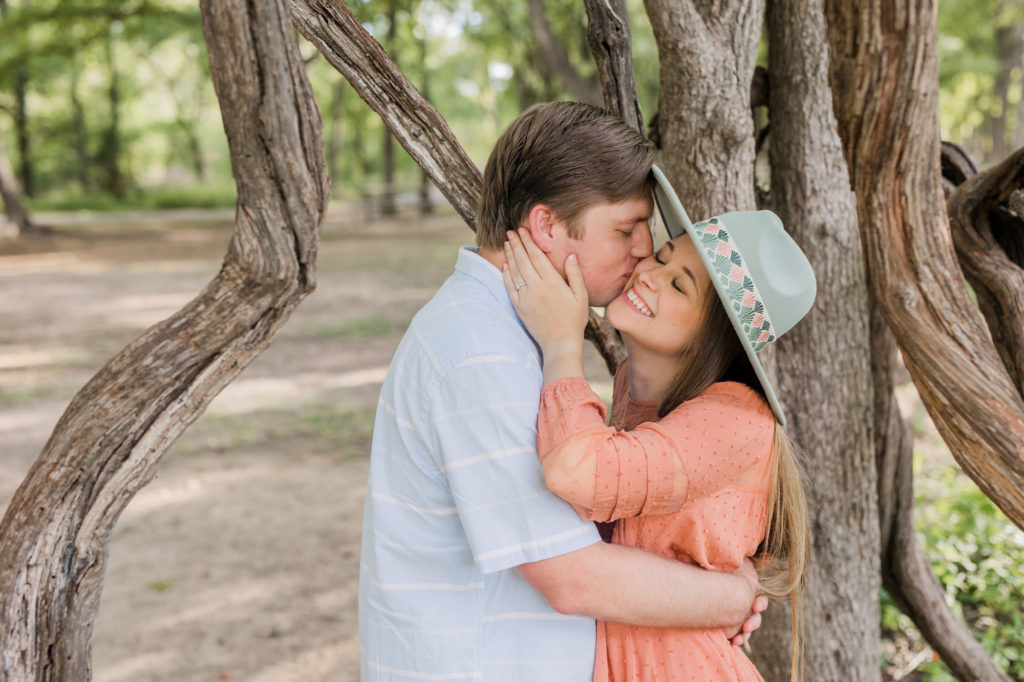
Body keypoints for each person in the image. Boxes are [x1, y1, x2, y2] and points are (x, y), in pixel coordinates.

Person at [358, 103, 767, 682]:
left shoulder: (515, 337)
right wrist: (729, 596)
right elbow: (572, 577)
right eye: (625, 229)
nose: (642, 252)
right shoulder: (482, 352)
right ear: (547, 226)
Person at [500, 166, 815, 681]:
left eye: (680, 286)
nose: (648, 274)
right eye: (663, 257)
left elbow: (577, 471)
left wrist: (562, 342)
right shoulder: (632, 387)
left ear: (714, 337)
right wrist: (727, 593)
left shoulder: (736, 418)